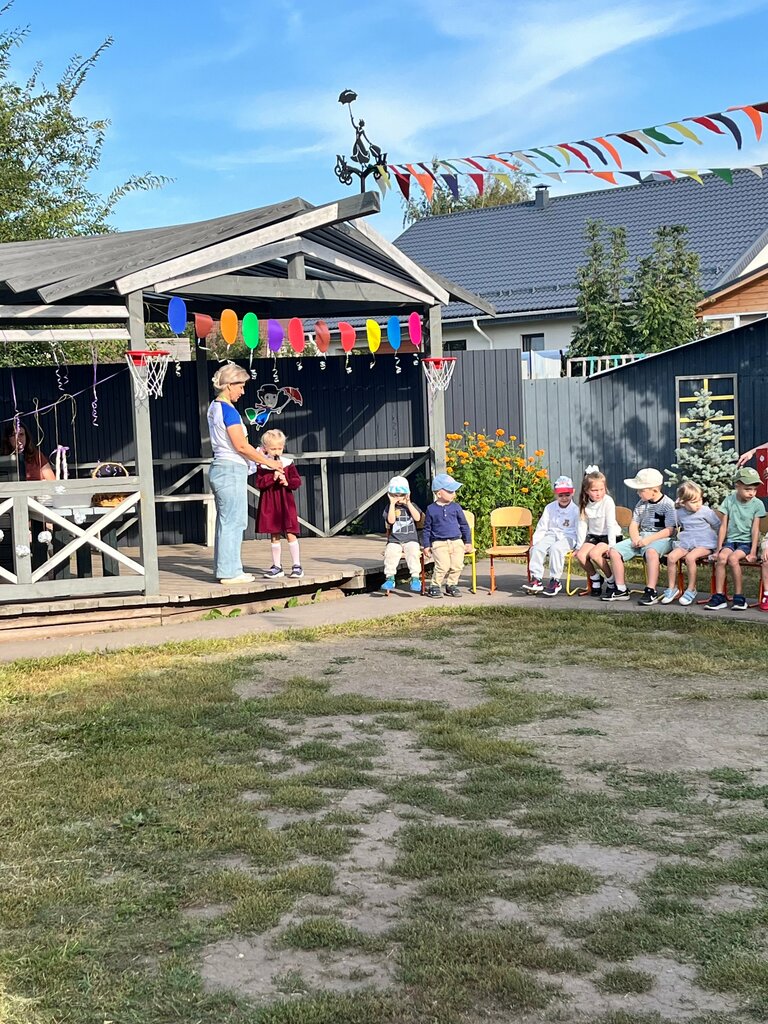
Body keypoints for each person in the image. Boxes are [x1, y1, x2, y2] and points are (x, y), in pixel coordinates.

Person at [207, 363, 282, 586]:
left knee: (226, 521)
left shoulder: (214, 407)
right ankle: (230, 572)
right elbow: (240, 445)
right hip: (230, 469)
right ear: (229, 385)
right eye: (240, 386)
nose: (243, 391)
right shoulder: (228, 410)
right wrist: (269, 462)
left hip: (221, 467)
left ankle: (226, 568)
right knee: (234, 522)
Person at [602, 467, 676, 604]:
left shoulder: (668, 505)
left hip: (661, 538)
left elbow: (670, 530)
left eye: (641, 490)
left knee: (651, 553)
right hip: (642, 537)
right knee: (614, 551)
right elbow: (634, 524)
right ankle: (621, 588)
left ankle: (651, 590)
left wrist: (648, 540)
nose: (638, 493)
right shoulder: (641, 504)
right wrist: (635, 538)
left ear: (654, 490)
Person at [704, 467, 764, 611]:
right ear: (737, 486)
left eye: (754, 490)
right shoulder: (729, 500)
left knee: (733, 559)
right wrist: (718, 550)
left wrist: (753, 552)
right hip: (731, 540)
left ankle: (739, 597)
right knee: (722, 558)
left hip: (746, 543)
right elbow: (723, 526)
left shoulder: (757, 504)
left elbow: (755, 530)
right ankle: (719, 596)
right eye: (748, 489)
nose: (752, 493)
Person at [254, 428, 303, 580]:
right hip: (270, 503)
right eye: (273, 448)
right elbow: (260, 484)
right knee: (274, 534)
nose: (277, 451)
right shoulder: (262, 465)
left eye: (279, 448)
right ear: (265, 448)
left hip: (285, 503)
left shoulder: (288, 463)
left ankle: (297, 565)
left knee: (290, 533)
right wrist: (272, 477)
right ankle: (277, 566)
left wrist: (286, 481)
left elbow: (296, 482)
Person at [661, 481, 720, 606]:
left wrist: (719, 545)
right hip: (687, 541)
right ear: (683, 502)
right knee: (671, 557)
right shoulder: (679, 511)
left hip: (705, 542)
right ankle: (672, 588)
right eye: (693, 502)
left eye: (699, 500)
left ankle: (691, 588)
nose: (698, 504)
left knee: (690, 558)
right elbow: (677, 524)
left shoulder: (705, 511)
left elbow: (717, 525)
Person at [522, 475, 578, 597]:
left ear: (572, 493)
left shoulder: (575, 510)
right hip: (552, 534)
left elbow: (580, 529)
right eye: (560, 495)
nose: (564, 498)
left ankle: (555, 580)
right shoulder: (550, 507)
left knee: (556, 549)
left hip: (569, 536)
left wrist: (579, 546)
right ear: (555, 494)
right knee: (537, 549)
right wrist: (535, 541)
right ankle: (536, 579)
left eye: (567, 495)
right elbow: (542, 526)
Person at [422, 472, 473, 599]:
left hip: (457, 541)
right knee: (442, 566)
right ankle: (434, 586)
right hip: (439, 543)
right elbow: (427, 529)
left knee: (457, 565)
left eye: (454, 491)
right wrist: (426, 545)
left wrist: (468, 541)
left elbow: (464, 525)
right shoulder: (431, 509)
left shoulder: (456, 507)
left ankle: (451, 585)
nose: (454, 494)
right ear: (439, 494)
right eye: (450, 491)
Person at [574, 465, 621, 596]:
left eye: (602, 489)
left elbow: (611, 525)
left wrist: (612, 546)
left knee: (595, 554)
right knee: (581, 555)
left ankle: (611, 581)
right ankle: (596, 579)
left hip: (609, 536)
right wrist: (579, 546)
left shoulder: (608, 501)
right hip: (594, 536)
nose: (599, 493)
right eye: (594, 490)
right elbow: (582, 525)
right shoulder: (584, 503)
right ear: (586, 490)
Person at [380, 475, 423, 593]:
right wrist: (392, 504)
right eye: (395, 495)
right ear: (390, 495)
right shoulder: (389, 507)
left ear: (407, 494)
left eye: (401, 495)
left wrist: (408, 503)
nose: (398, 498)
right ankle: (390, 578)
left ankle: (415, 577)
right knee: (390, 553)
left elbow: (418, 518)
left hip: (411, 540)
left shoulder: (411, 505)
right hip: (395, 540)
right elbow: (391, 521)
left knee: (413, 552)